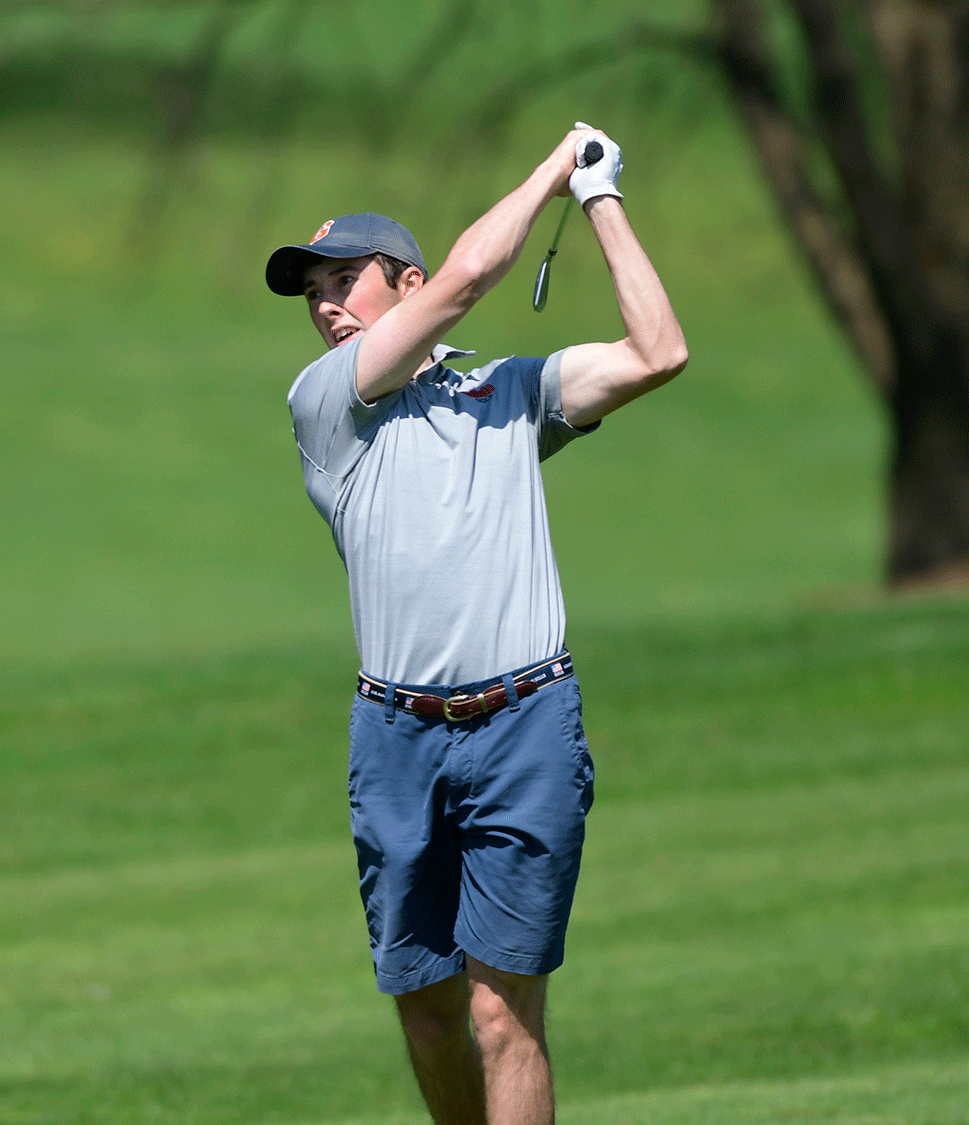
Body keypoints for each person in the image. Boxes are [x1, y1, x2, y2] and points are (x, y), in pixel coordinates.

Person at [265, 126, 686, 1125]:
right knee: (426, 1018)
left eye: (343, 279)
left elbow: (657, 351)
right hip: (396, 739)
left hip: (524, 727)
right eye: (310, 290)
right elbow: (464, 279)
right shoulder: (327, 404)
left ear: (398, 283)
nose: (324, 303)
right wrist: (550, 167)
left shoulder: (508, 393)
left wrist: (597, 200)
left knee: (504, 1018)